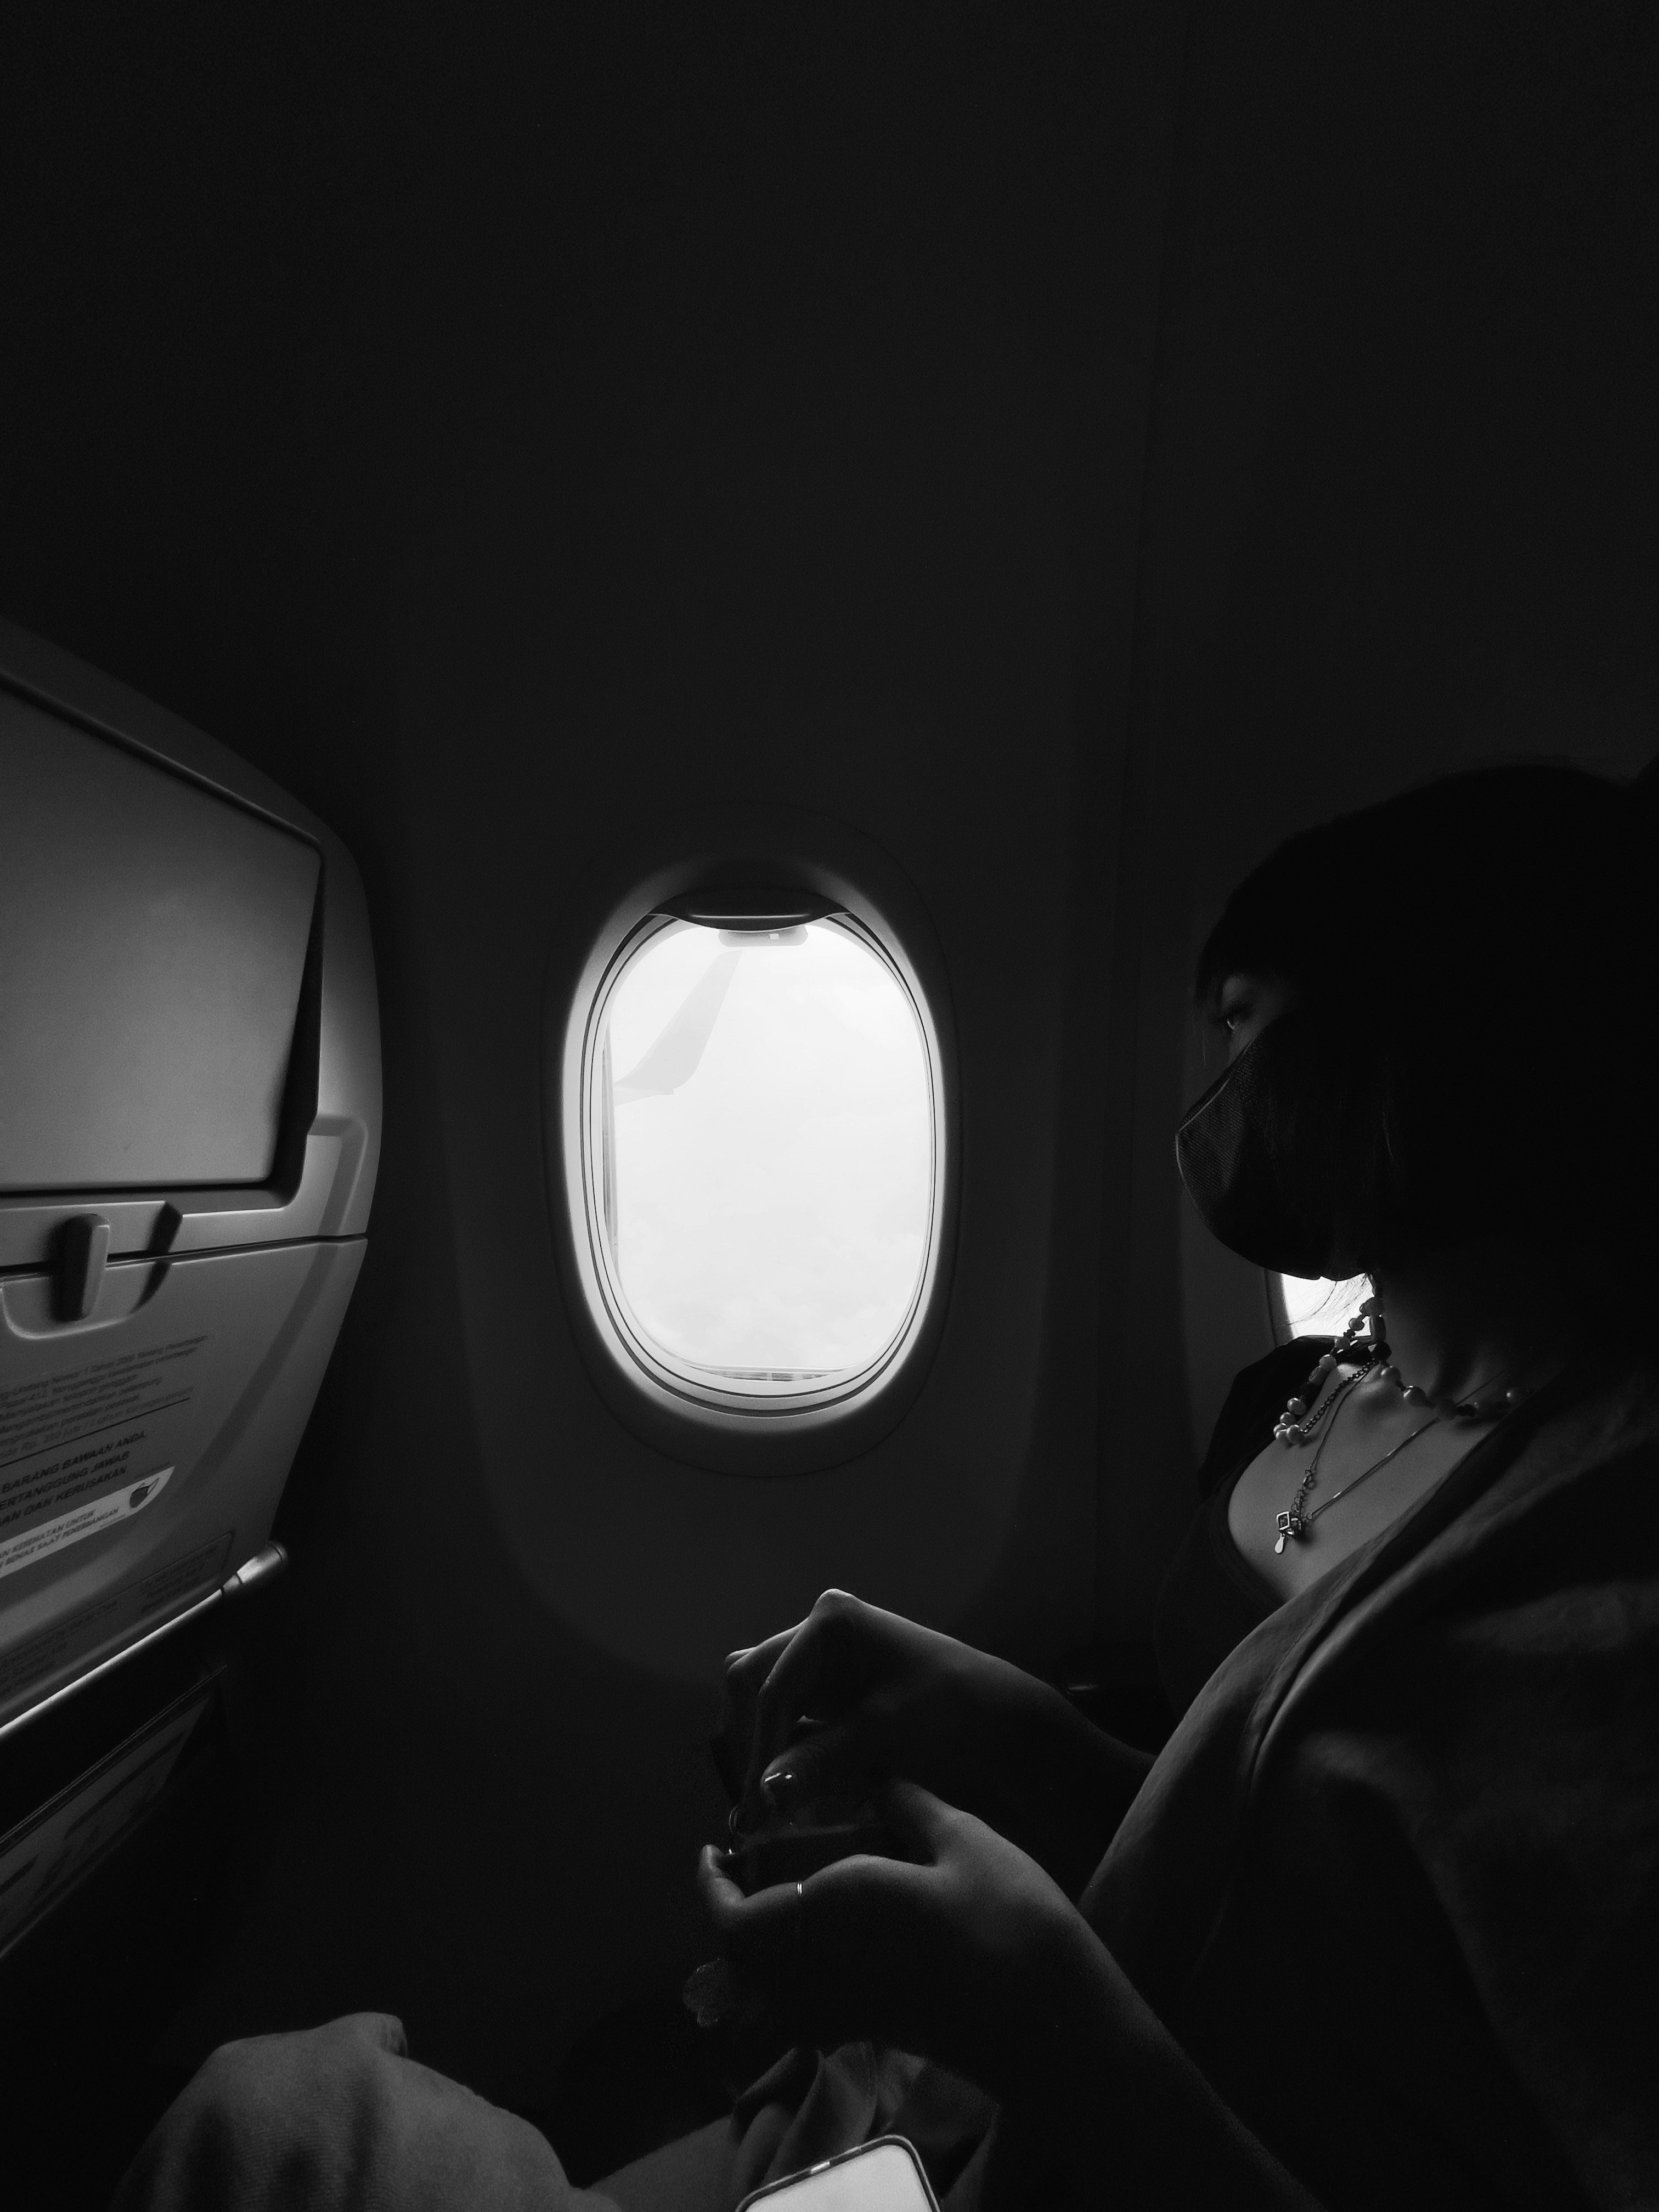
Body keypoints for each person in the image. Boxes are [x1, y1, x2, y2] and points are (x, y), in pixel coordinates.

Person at [115, 761, 1659, 2210]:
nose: (1214, 1112)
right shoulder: (1315, 1391)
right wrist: (1020, 1737)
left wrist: (1044, 2021)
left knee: (276, 2130)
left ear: (1433, 1046)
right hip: (968, 2115)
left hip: (1083, 2128)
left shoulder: (1600, 1591)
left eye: (1252, 1040)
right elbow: (1274, 1895)